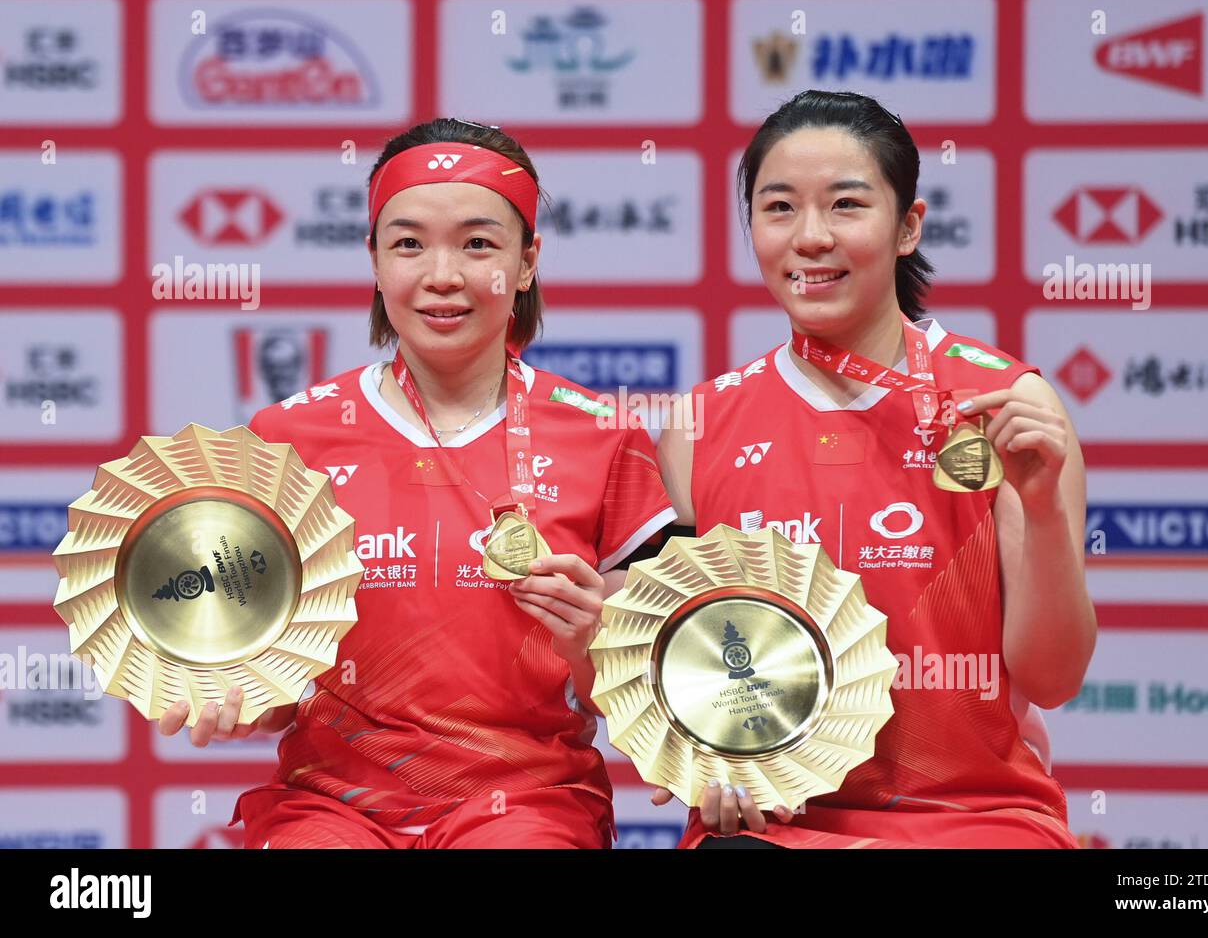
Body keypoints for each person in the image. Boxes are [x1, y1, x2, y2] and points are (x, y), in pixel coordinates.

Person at [157, 118, 677, 848]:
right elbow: (268, 691)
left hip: (526, 801)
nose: (442, 275)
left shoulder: (602, 434)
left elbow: (653, 691)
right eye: (408, 243)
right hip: (331, 805)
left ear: (526, 263)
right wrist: (237, 694)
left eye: (478, 244)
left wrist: (594, 639)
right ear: (373, 260)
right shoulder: (288, 438)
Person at [654, 90, 1096, 848]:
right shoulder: (699, 426)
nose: (811, 237)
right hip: (777, 826)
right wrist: (708, 764)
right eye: (779, 208)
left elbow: (1052, 680)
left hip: (977, 821)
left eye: (847, 205)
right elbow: (695, 663)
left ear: (908, 227)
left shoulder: (1001, 403)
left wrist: (1044, 507)